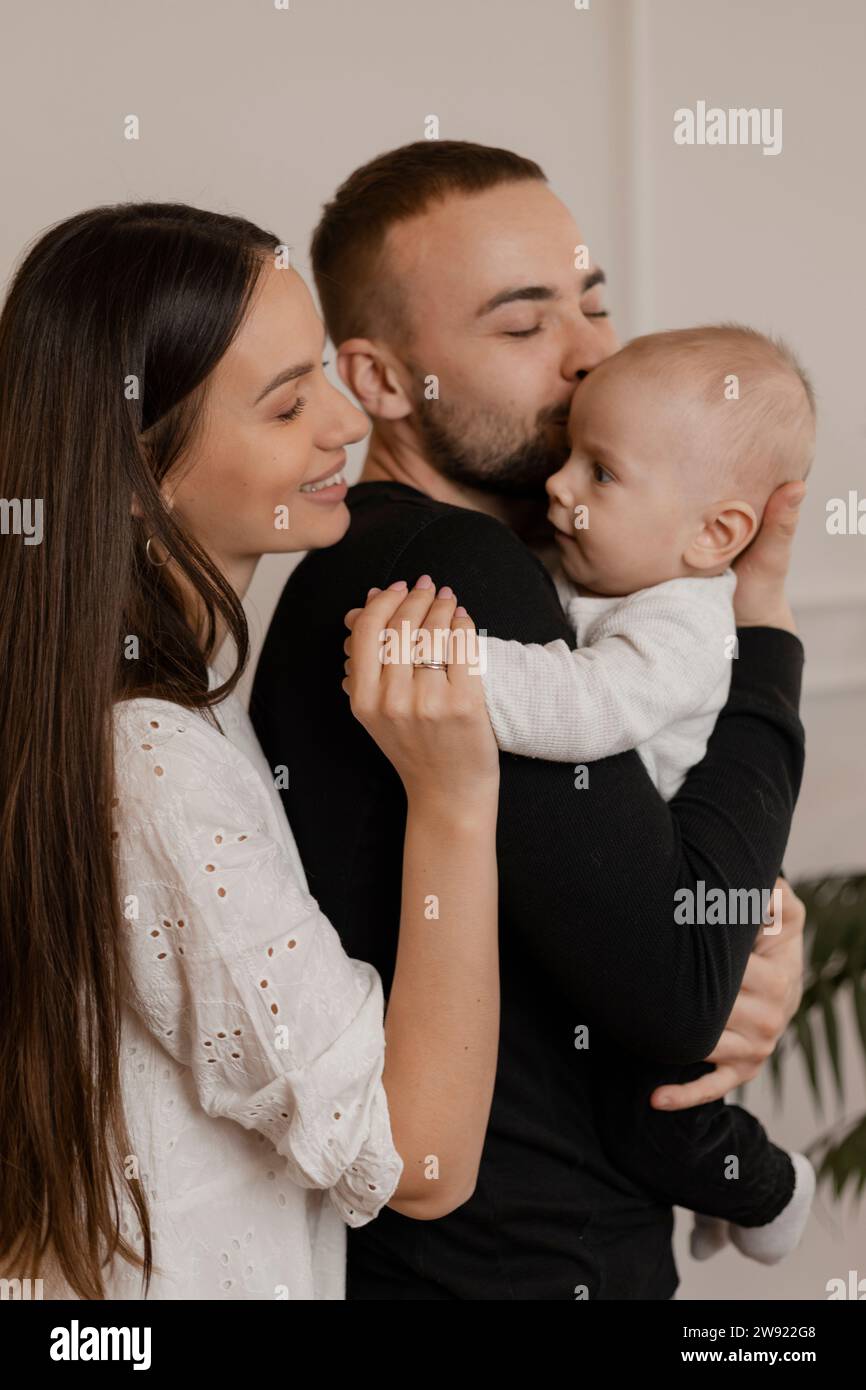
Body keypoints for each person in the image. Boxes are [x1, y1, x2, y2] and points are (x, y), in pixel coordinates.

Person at [251, 141, 808, 1300]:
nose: (590, 352)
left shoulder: (430, 550)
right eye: (521, 326)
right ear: (386, 381)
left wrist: (758, 922)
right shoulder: (453, 573)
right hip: (513, 1264)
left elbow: (633, 910)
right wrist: (767, 649)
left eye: (591, 302)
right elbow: (675, 990)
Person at [0, 202, 501, 1300]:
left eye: (322, 370)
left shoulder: (169, 704)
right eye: (285, 405)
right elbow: (420, 1159)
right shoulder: (150, 761)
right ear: (142, 476)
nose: (342, 421)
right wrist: (456, 798)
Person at [479, 323, 819, 1265]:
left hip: (682, 908)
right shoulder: (607, 570)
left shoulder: (681, 623)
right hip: (671, 892)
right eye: (568, 455)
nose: (559, 485)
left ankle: (767, 1189)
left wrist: (453, 664)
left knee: (659, 1120)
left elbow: (587, 709)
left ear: (716, 536)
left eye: (600, 473)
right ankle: (716, 1198)